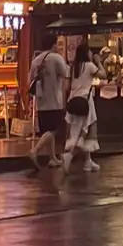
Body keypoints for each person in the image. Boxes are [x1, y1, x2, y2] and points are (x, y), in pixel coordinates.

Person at [27, 34, 69, 167]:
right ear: (53, 44)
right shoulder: (56, 58)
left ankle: (52, 158)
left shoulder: (35, 60)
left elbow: (30, 81)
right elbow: (66, 74)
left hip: (41, 100)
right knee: (53, 130)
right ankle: (35, 151)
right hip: (54, 100)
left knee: (47, 130)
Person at [63, 40, 99, 170]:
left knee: (76, 130)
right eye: (89, 51)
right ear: (86, 53)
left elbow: (66, 87)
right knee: (86, 130)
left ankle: (87, 161)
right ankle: (69, 156)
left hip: (73, 100)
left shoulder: (72, 67)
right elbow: (103, 74)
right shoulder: (89, 66)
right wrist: (98, 61)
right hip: (85, 100)